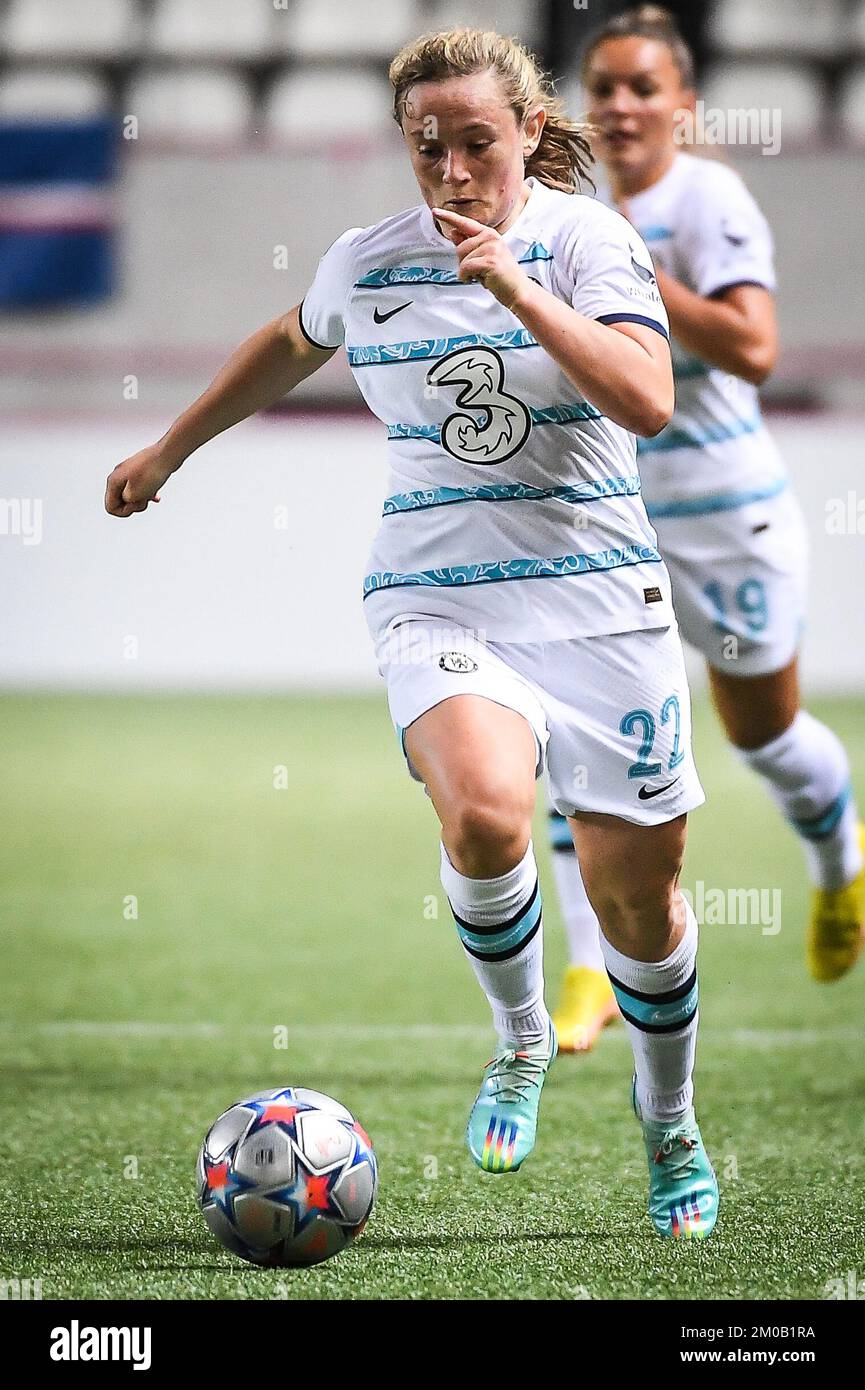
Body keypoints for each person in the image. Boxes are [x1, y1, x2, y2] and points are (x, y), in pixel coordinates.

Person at [105, 27, 718, 1239]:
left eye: (475, 143)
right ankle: (522, 1040)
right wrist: (169, 445)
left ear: (530, 133)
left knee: (636, 901)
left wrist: (513, 286)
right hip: (437, 596)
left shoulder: (587, 241)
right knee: (486, 811)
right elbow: (291, 340)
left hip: (602, 605)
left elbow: (645, 399)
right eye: (426, 145)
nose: (448, 169)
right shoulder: (367, 262)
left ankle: (671, 1124)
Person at [549, 5, 864, 1055]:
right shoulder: (570, 205)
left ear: (683, 105)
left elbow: (755, 345)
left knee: (763, 736)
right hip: (615, 519)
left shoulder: (707, 198)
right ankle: (588, 965)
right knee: (571, 737)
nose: (622, 106)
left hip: (727, 517)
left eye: (644, 88)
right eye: (604, 90)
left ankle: (837, 864)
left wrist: (643, 272)